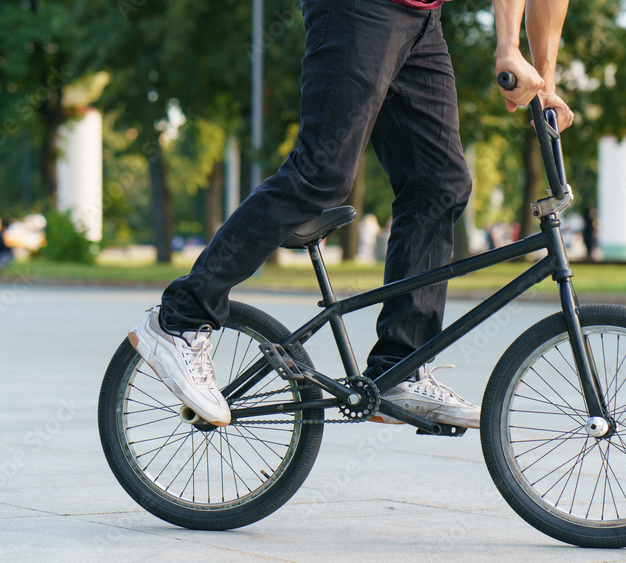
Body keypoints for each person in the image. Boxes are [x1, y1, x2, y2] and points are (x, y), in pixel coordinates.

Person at [128, 0, 573, 428]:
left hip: (422, 18)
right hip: (357, 9)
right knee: (323, 171)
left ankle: (399, 368)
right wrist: (508, 47)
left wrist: (546, 84)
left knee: (440, 184)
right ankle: (180, 320)